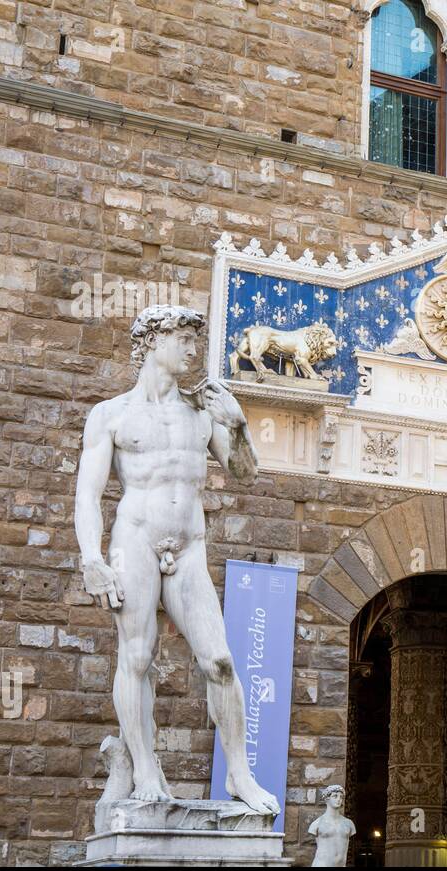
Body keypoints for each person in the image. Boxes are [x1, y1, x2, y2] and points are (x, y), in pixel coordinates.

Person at [74, 304, 279, 815]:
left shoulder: (201, 411)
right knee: (137, 657)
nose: (193, 349)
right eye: (183, 338)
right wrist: (90, 559)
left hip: (189, 546)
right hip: (134, 540)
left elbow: (245, 474)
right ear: (151, 342)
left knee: (222, 661)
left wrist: (238, 425)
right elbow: (87, 493)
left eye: (195, 339)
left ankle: (239, 774)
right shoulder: (112, 414)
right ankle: (145, 768)